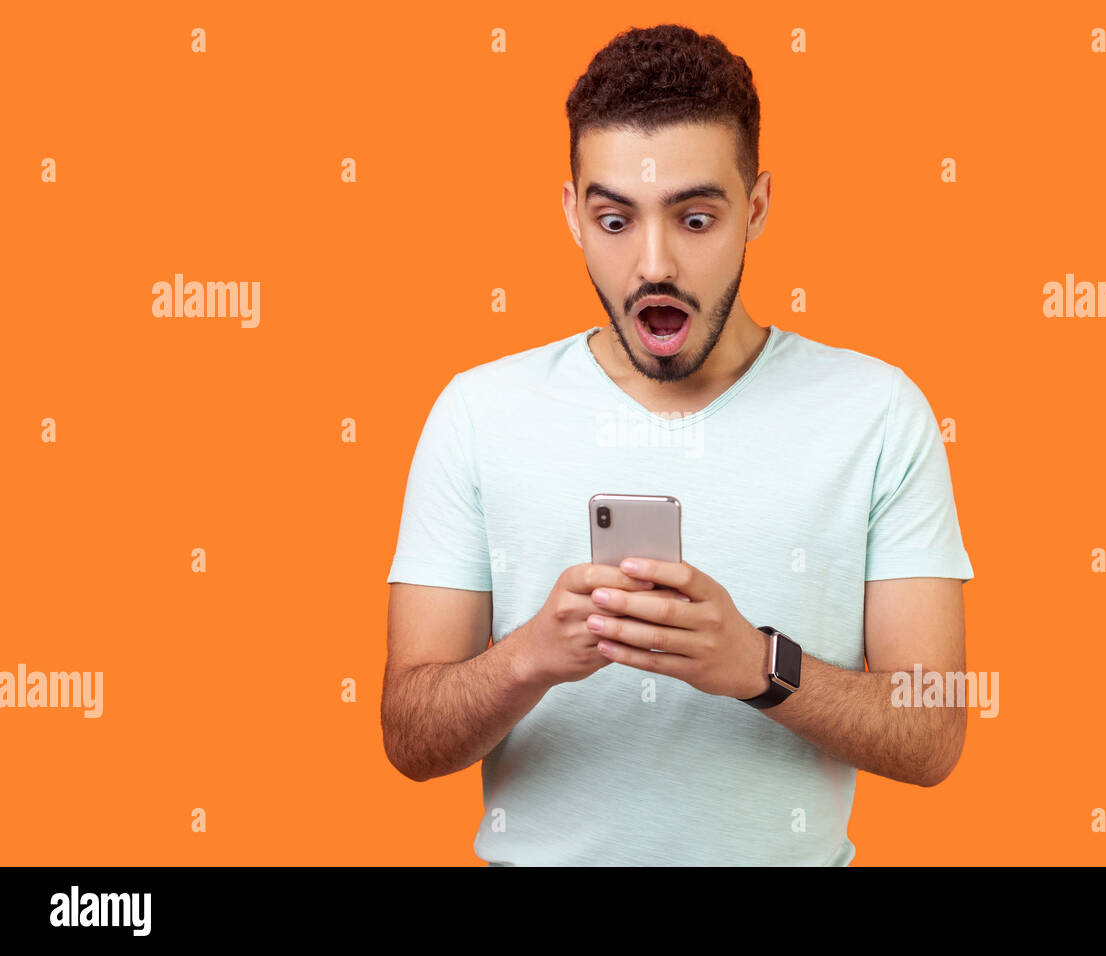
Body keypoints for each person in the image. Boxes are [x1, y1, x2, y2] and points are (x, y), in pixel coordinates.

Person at [381, 23, 974, 866]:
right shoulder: (478, 412)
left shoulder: (878, 412)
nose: (653, 264)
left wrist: (756, 664)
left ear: (756, 207)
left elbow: (933, 732)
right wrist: (529, 659)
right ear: (572, 216)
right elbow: (409, 736)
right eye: (614, 219)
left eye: (695, 217)